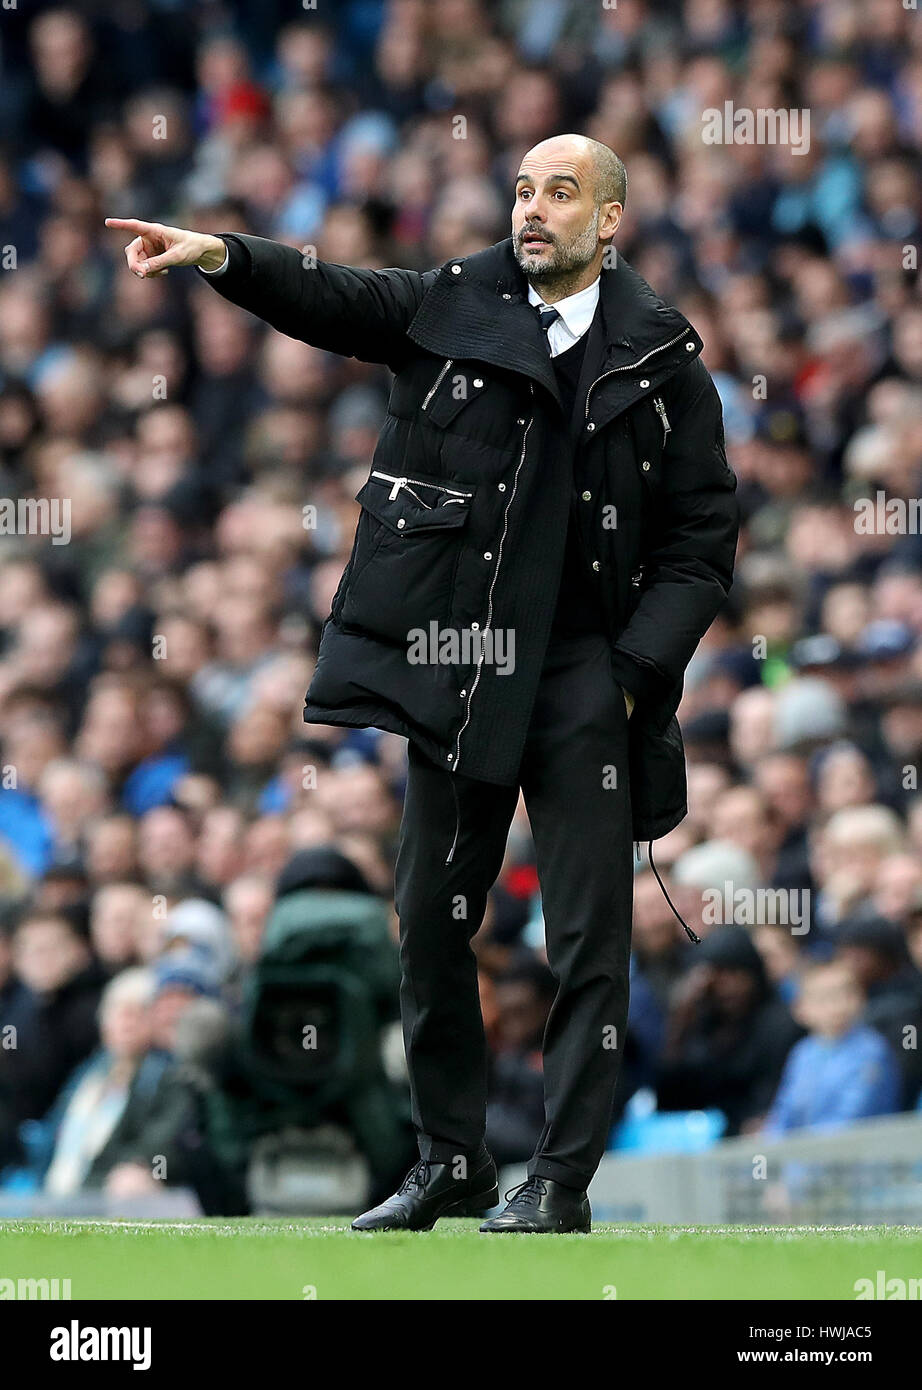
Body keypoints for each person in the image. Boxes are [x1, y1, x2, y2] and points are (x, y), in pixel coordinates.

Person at [106, 130, 739, 1233]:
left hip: (588, 674)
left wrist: (633, 675)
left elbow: (700, 539)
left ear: (610, 220)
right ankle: (451, 1158)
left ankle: (562, 1179)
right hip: (461, 670)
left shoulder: (665, 358)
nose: (531, 208)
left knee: (587, 936)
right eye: (521, 187)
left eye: (560, 192)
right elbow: (333, 294)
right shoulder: (451, 301)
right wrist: (222, 256)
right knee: (428, 922)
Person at [763, 960, 901, 1136]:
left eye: (847, 993)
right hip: (803, 1157)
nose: (838, 1005)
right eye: (824, 998)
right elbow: (784, 1113)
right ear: (800, 1008)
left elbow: (852, 1119)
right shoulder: (802, 1052)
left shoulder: (872, 1051)